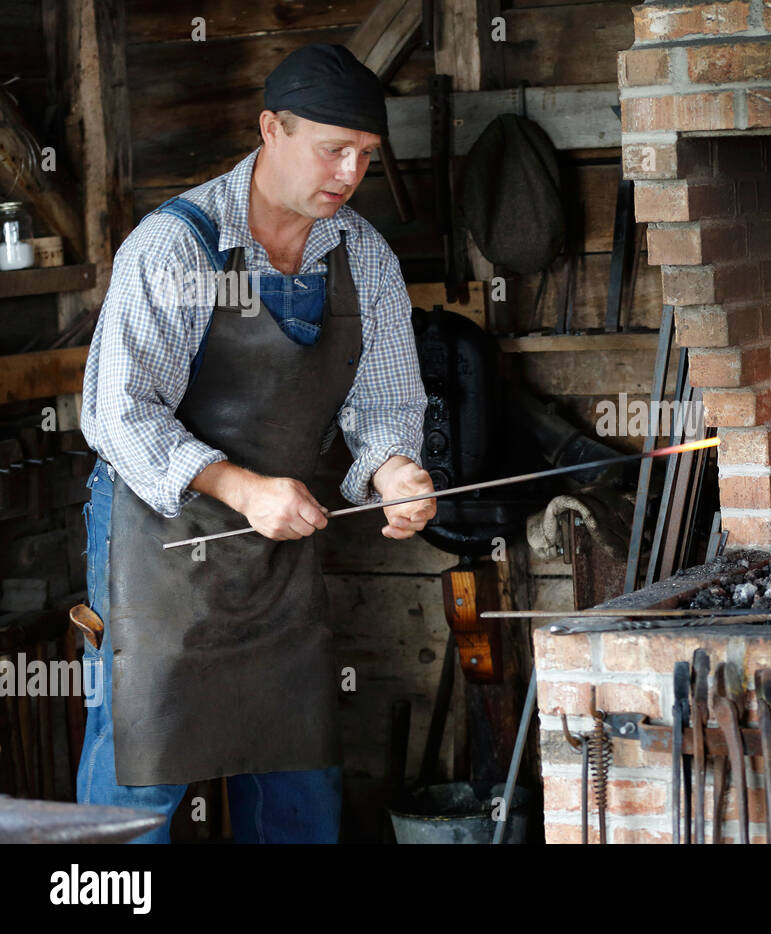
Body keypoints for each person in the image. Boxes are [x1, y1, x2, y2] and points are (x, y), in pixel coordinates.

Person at [75, 43, 436, 843]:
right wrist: (241, 487)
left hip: (278, 544)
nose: (348, 173)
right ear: (271, 128)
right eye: (332, 149)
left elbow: (383, 397)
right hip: (157, 544)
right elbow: (118, 415)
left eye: (365, 157)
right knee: (141, 767)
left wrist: (394, 467)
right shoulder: (174, 247)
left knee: (298, 765)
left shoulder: (361, 254)